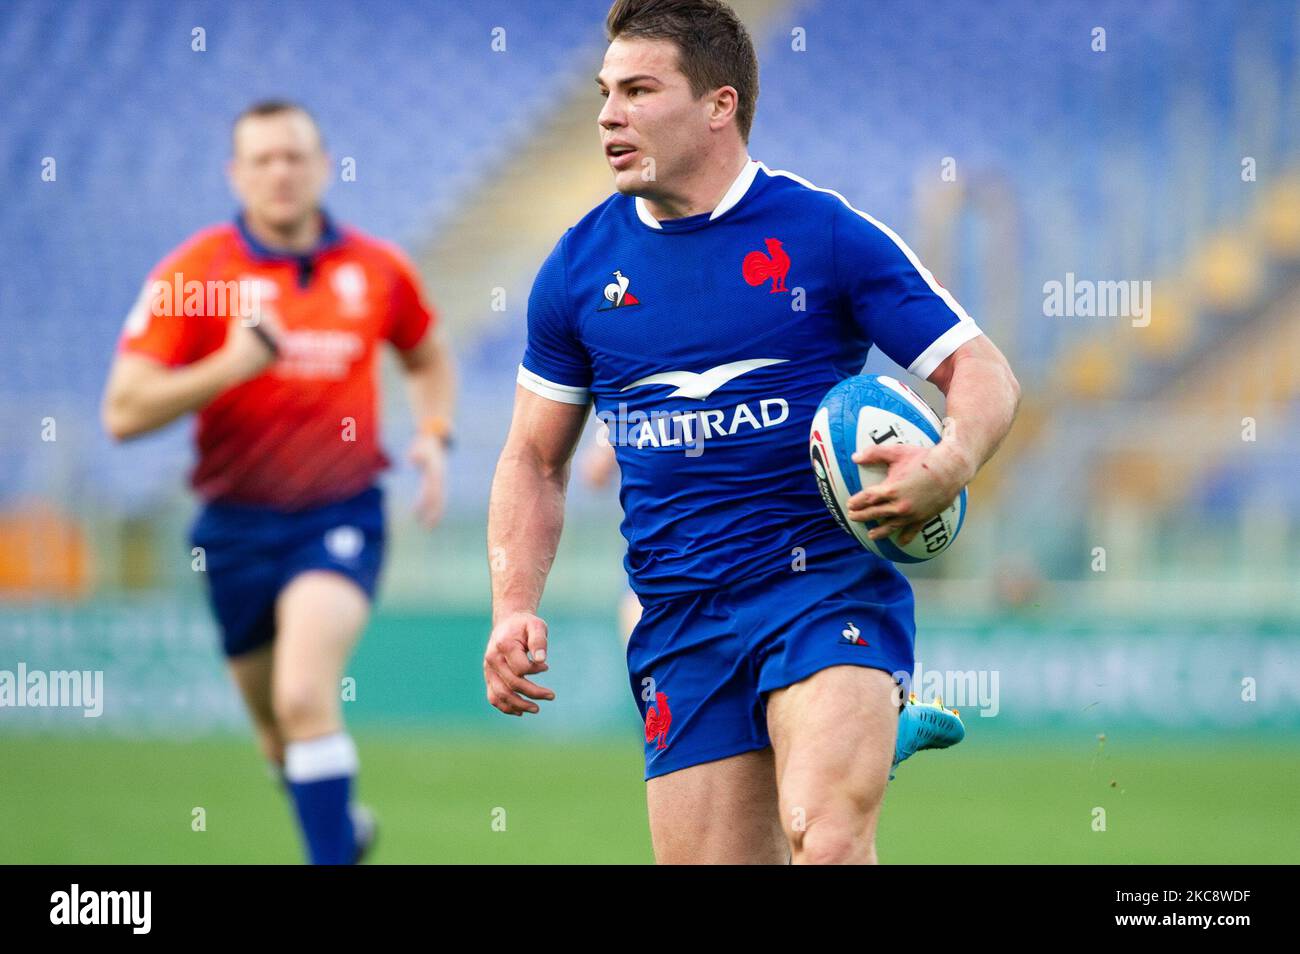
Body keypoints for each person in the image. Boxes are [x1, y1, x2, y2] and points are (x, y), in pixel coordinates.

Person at [484, 0, 1019, 863]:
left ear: (718, 106)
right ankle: (880, 729)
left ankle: (861, 718)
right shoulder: (577, 269)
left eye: (639, 90)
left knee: (826, 837)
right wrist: (513, 605)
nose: (608, 115)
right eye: (604, 91)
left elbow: (983, 372)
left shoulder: (822, 234)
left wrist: (949, 462)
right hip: (681, 616)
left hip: (821, 591)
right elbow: (533, 461)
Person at [101, 100, 456, 864]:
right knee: (275, 732)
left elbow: (427, 354)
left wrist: (432, 436)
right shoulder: (196, 274)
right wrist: (229, 366)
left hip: (340, 513)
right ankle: (340, 830)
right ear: (236, 175)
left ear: (324, 165)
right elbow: (122, 414)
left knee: (303, 695)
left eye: (295, 156)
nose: (281, 172)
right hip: (232, 528)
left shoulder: (378, 268)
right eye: (262, 159)